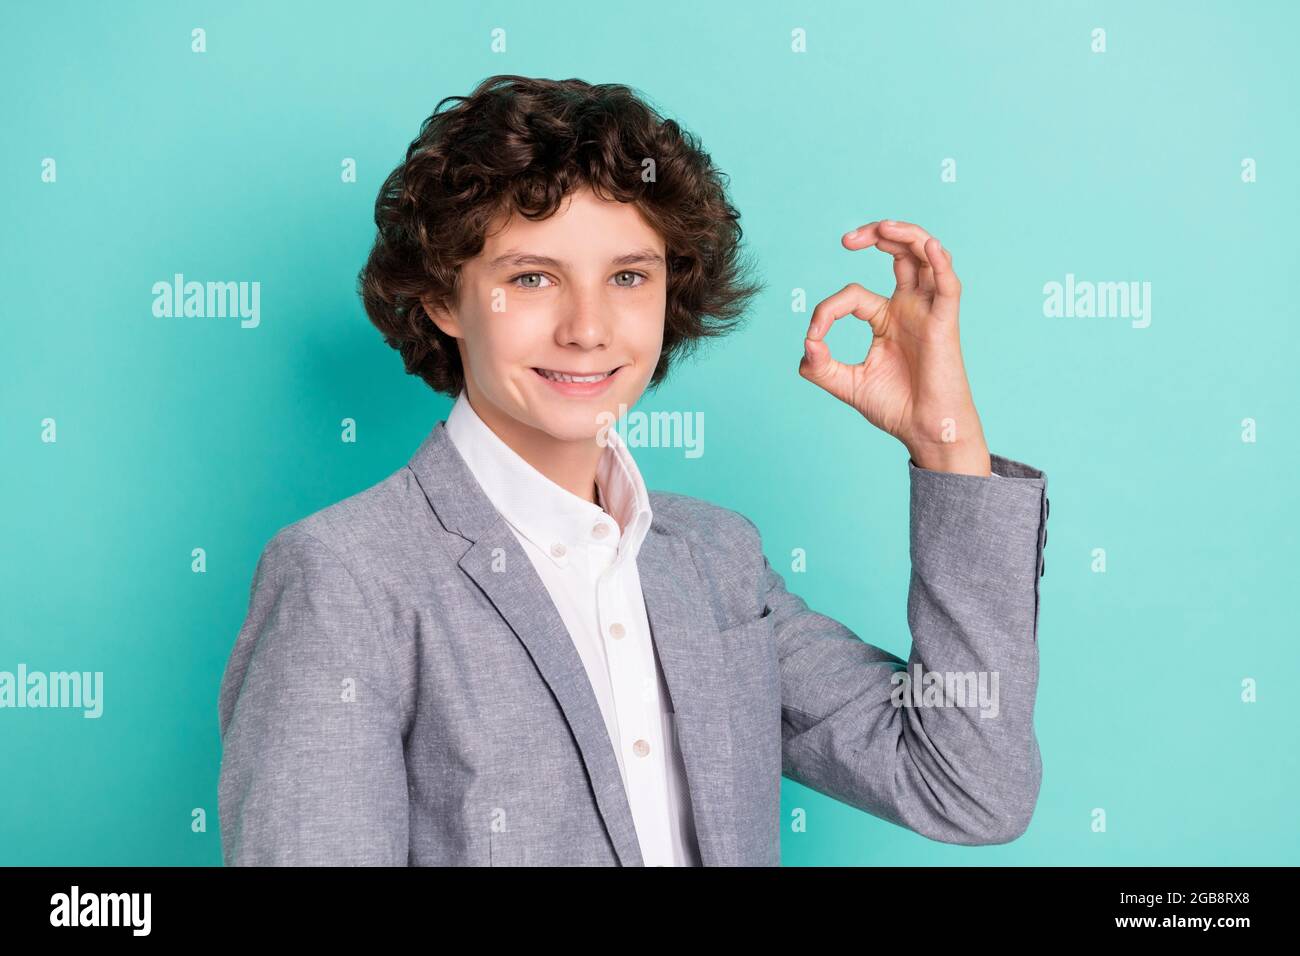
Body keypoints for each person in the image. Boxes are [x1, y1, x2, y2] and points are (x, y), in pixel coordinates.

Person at [217, 74, 1050, 866]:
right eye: (533, 278)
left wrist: (945, 444)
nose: (589, 329)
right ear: (443, 299)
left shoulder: (715, 558)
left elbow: (966, 786)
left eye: (626, 277)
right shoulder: (345, 578)